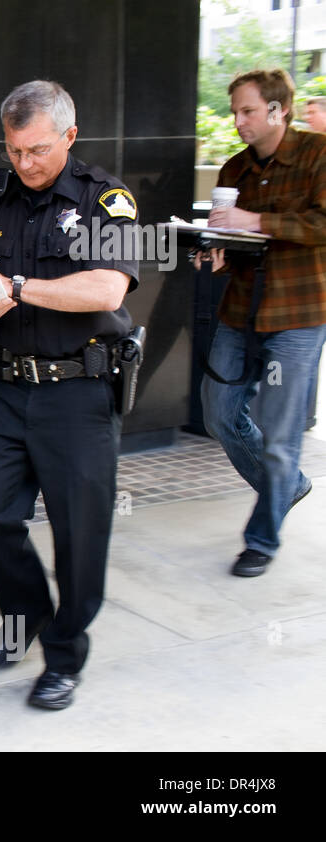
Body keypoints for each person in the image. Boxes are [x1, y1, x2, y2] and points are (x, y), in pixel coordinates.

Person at [0, 81, 139, 710]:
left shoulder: (106, 200)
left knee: (79, 534)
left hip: (80, 392)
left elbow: (109, 290)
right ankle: (26, 613)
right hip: (9, 385)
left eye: (36, 150)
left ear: (69, 135)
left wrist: (19, 285)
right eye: (13, 150)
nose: (24, 163)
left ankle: (65, 654)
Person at [198, 69, 326, 578]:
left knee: (280, 433)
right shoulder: (232, 169)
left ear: (278, 110)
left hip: (299, 314)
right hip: (241, 309)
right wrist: (214, 251)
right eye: (234, 112)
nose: (238, 121)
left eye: (248, 111)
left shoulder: (318, 155)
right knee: (218, 412)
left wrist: (256, 222)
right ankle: (286, 484)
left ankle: (262, 539)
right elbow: (225, 239)